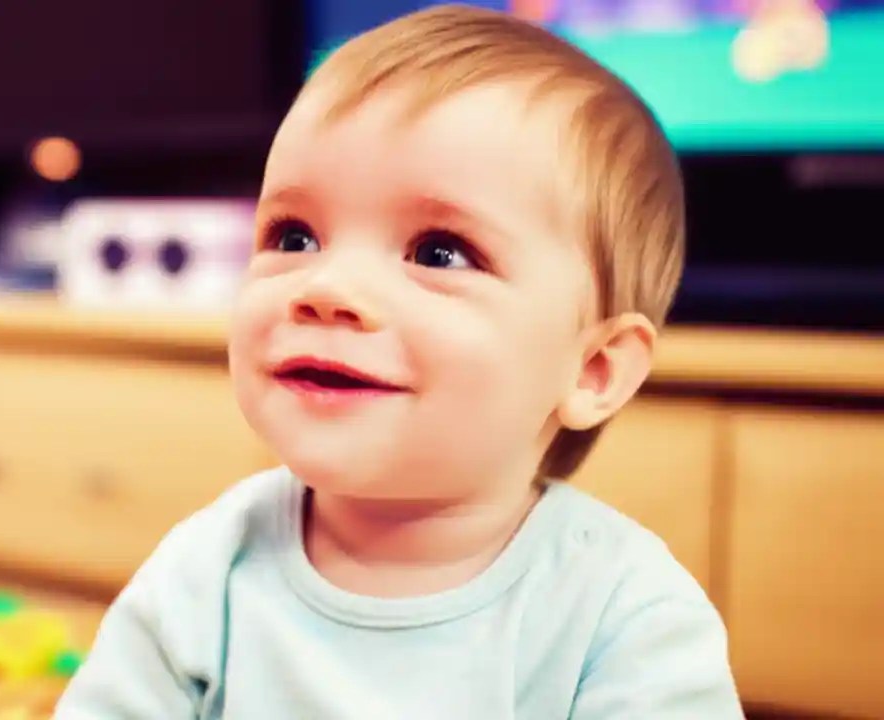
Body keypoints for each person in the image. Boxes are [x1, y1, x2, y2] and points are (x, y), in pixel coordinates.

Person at [54, 4, 743, 718]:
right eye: (294, 237)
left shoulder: (625, 618)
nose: (327, 288)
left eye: (438, 252)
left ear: (593, 369)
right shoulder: (208, 571)